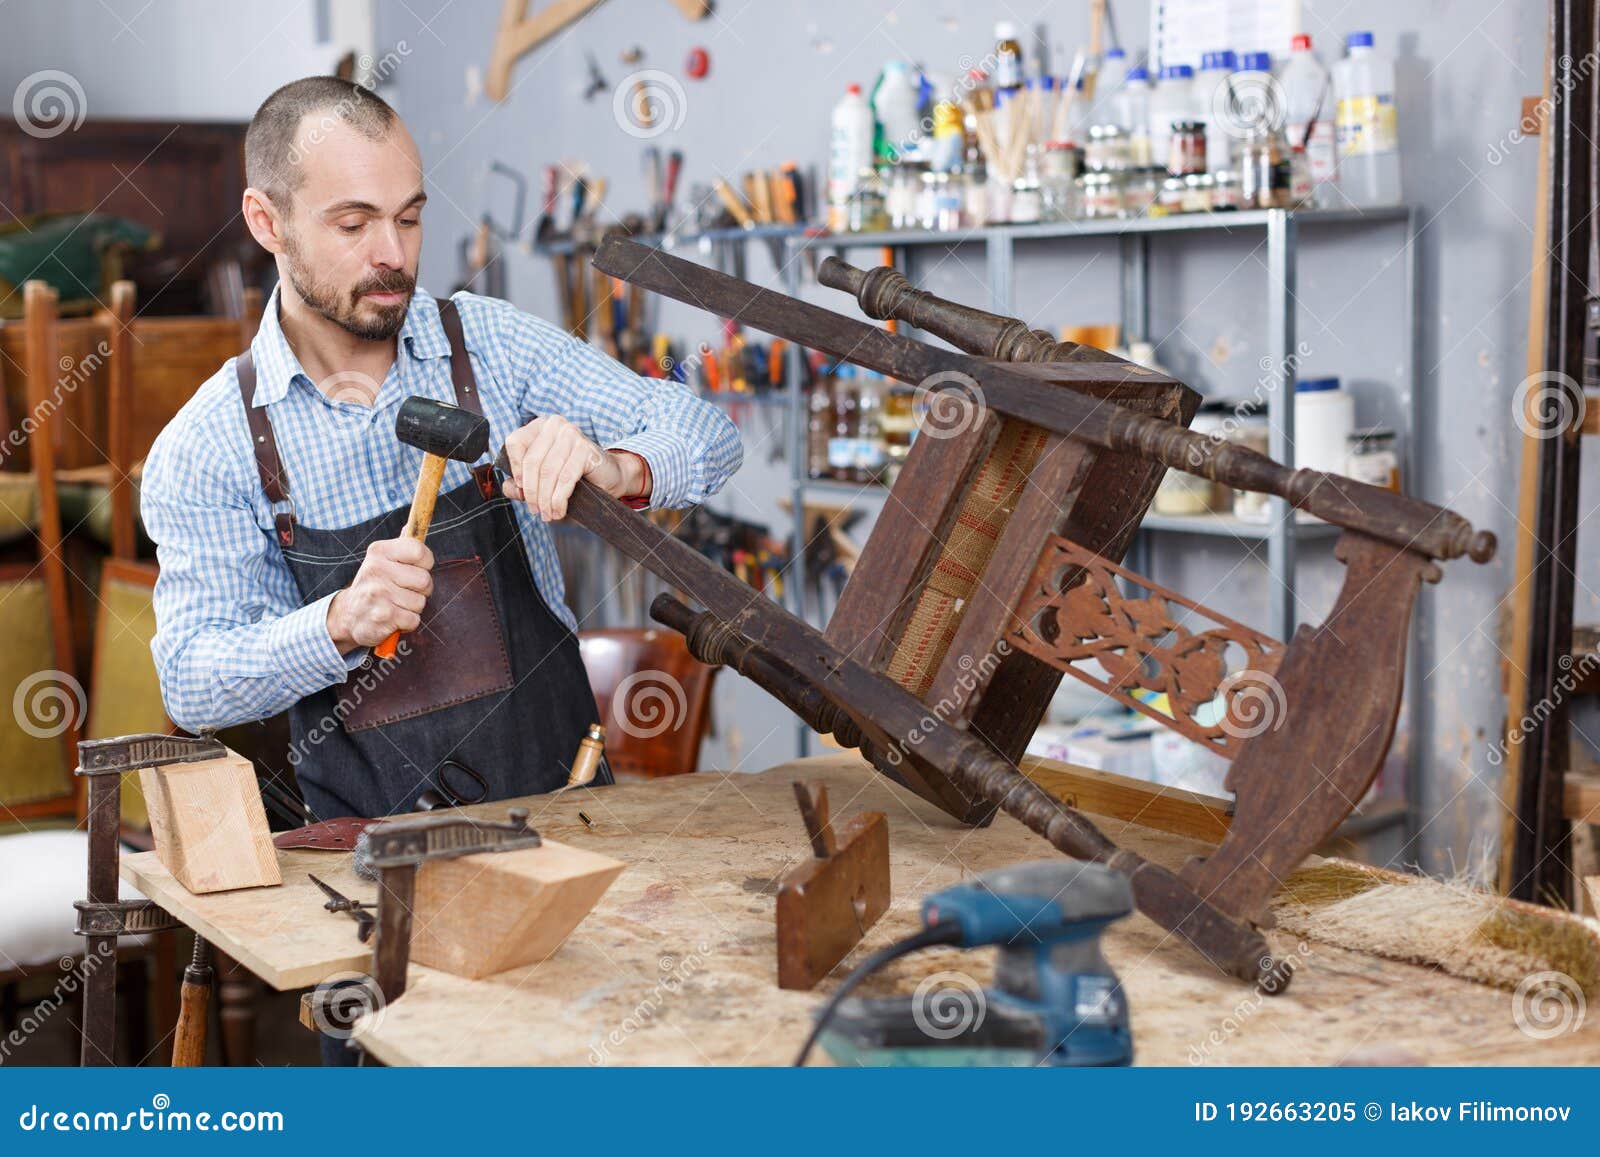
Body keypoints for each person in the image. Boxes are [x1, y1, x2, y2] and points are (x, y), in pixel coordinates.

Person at [143, 76, 742, 826]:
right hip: (370, 864)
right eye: (354, 225)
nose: (392, 256)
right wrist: (338, 622)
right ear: (267, 222)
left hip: (565, 828)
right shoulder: (211, 447)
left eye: (409, 217)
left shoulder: (487, 342)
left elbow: (711, 435)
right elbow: (193, 683)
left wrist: (616, 466)